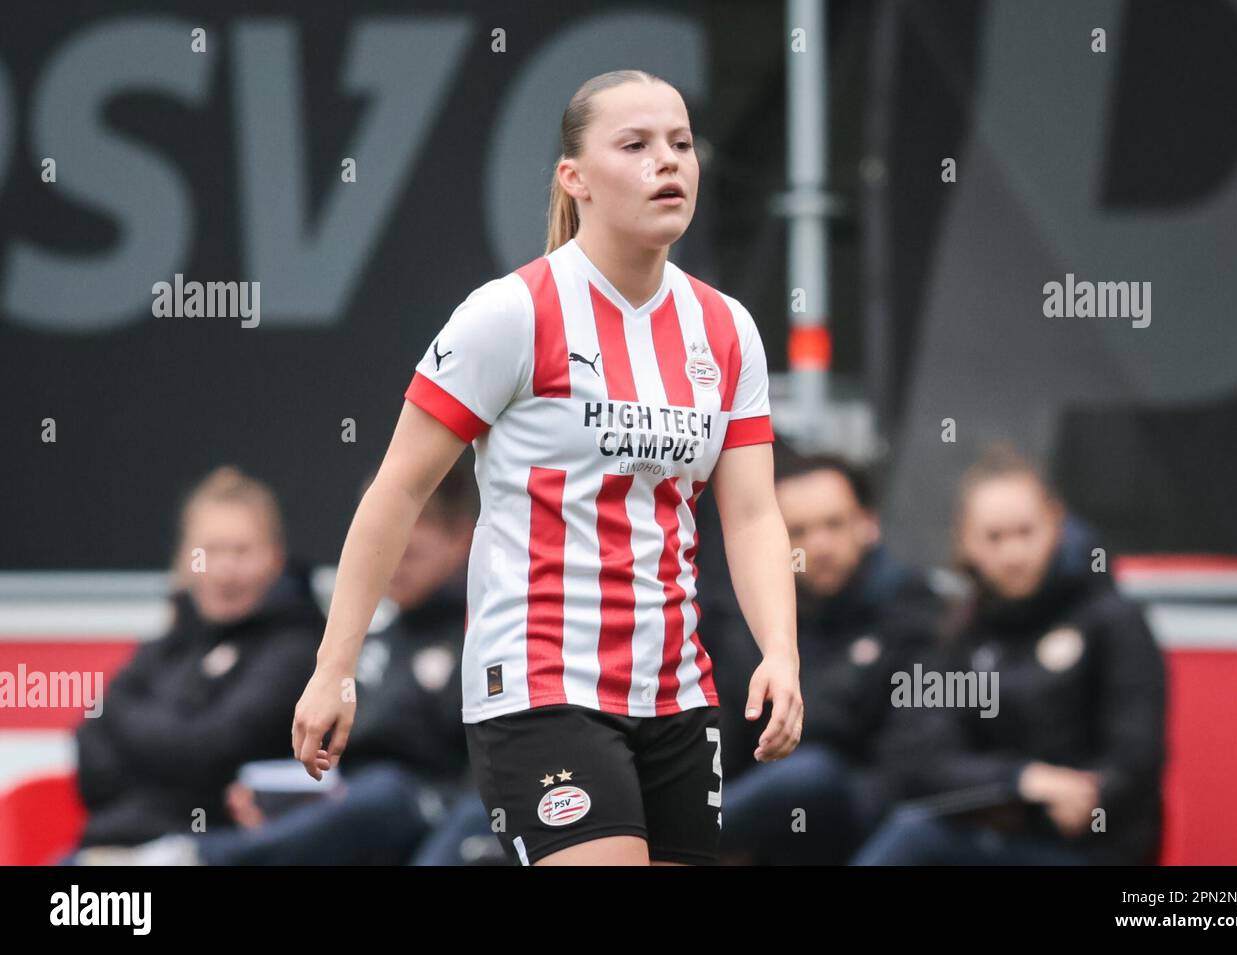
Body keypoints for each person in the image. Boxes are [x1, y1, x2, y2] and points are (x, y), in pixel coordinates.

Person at [291, 69, 802, 866]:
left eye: (679, 142)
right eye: (634, 145)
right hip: (539, 685)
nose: (666, 162)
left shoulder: (727, 327)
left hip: (677, 689)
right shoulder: (513, 312)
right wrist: (335, 668)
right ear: (575, 178)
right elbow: (397, 489)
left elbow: (752, 513)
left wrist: (781, 650)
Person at [88, 456, 488, 865]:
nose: (391, 568)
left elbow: (210, 750)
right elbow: (93, 745)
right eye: (384, 552)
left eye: (410, 553)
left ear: (460, 539)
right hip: (353, 812)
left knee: (385, 794)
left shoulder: (485, 636)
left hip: (436, 817)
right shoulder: (365, 643)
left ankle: (199, 858)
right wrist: (284, 794)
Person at [851, 444, 1166, 865]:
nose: (1013, 554)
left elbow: (1137, 759)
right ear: (966, 543)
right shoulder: (954, 634)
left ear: (1055, 523)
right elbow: (919, 759)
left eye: (1025, 532)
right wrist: (1021, 780)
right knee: (913, 831)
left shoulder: (1112, 621)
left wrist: (1089, 797)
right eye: (994, 537)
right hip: (990, 836)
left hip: (1090, 848)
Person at [72, 467, 322, 856]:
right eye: (210, 551)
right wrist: (174, 744)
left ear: (275, 558)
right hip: (114, 844)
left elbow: (211, 750)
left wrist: (136, 729)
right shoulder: (165, 647)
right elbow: (91, 753)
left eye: (241, 551)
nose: (224, 569)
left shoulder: (299, 649)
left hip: (219, 850)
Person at [713, 447, 943, 864]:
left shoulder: (914, 614)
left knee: (810, 773)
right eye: (797, 531)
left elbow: (913, 761)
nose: (818, 546)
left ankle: (672, 841)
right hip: (767, 831)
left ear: (868, 524)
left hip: (870, 821)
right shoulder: (742, 624)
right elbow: (722, 747)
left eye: (834, 524)